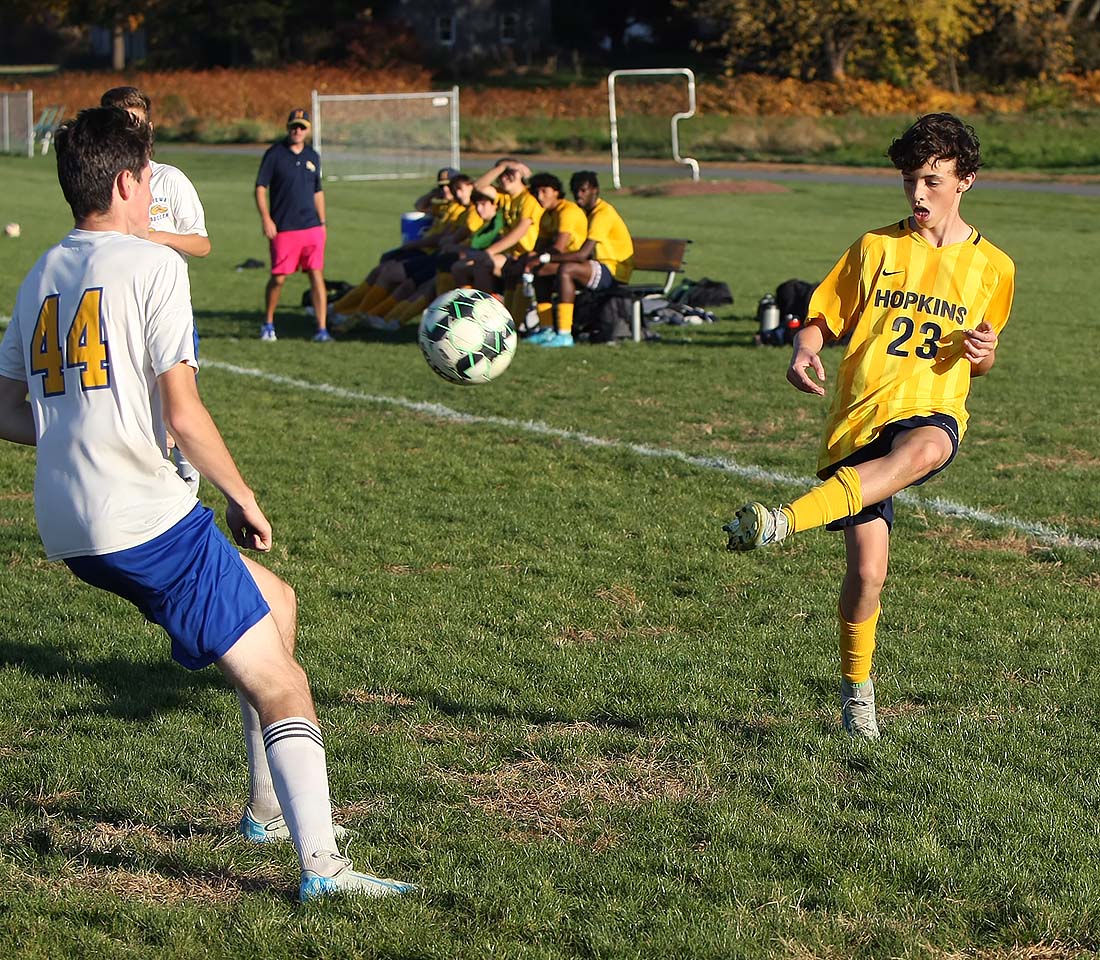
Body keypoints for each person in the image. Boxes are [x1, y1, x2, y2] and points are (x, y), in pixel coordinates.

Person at [0, 106, 414, 902]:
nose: (154, 190)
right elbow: (184, 414)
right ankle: (323, 869)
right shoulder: (152, 267)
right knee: (283, 686)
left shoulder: (42, 270)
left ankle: (265, 808)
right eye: (151, 177)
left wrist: (76, 434)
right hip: (144, 520)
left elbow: (6, 408)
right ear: (127, 182)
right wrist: (242, 494)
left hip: (67, 523)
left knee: (278, 604)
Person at [723, 113, 1015, 740]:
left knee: (930, 445)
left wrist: (983, 352)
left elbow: (984, 359)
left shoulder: (995, 267)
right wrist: (805, 351)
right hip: (859, 417)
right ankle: (859, 694)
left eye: (932, 181)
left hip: (931, 407)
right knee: (867, 574)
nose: (917, 194)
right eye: (910, 180)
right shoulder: (875, 248)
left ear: (965, 180)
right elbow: (820, 319)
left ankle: (782, 521)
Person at [100, 85, 209, 494]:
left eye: (138, 122)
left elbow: (202, 243)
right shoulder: (99, 184)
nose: (132, 130)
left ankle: (186, 489)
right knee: (128, 404)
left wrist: (157, 236)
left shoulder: (170, 179)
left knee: (178, 405)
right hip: (118, 309)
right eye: (122, 122)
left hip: (168, 310)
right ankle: (143, 488)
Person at [255, 108, 330, 342]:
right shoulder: (275, 154)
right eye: (293, 126)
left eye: (302, 127)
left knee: (316, 276)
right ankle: (268, 322)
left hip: (312, 227)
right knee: (278, 278)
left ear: (308, 130)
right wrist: (266, 218)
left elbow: (318, 191)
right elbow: (260, 187)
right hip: (284, 228)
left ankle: (322, 328)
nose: (297, 130)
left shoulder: (312, 156)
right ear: (287, 128)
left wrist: (323, 222)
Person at [538, 171, 634, 348]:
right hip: (596, 266)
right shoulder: (584, 213)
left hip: (614, 271)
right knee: (542, 271)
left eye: (583, 190)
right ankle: (546, 328)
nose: (578, 195)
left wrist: (548, 257)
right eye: (575, 191)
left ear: (595, 191)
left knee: (566, 270)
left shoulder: (602, 214)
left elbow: (583, 254)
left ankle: (565, 335)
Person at [519, 172, 589, 341]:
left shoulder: (568, 211)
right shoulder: (546, 215)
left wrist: (535, 261)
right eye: (536, 192)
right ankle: (546, 328)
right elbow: (539, 247)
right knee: (530, 270)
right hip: (560, 262)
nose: (539, 196)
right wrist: (526, 261)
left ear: (556, 191)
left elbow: (558, 248)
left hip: (579, 262)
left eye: (544, 191)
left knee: (541, 270)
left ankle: (564, 333)